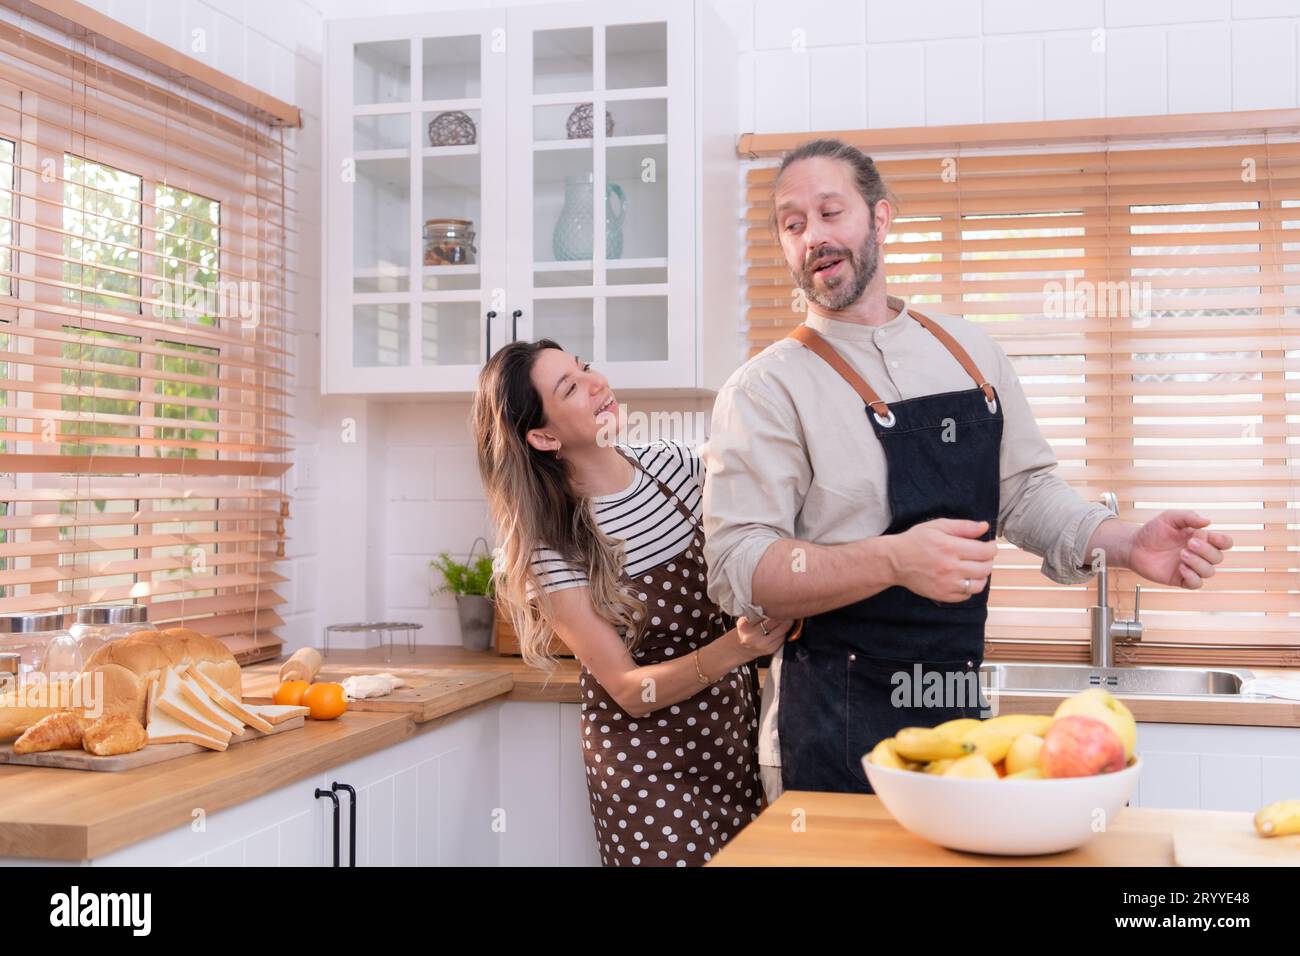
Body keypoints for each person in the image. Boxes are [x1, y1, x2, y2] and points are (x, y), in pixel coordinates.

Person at [701, 138, 1234, 800]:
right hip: (829, 724)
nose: (813, 236)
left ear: (881, 218)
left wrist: (1123, 542)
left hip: (955, 712)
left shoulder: (969, 352)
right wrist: (893, 561)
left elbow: (1025, 494)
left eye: (831, 212)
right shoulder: (765, 390)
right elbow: (735, 569)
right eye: (792, 223)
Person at [473, 338, 793, 865]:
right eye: (570, 387)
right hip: (646, 770)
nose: (597, 383)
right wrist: (738, 647)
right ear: (543, 435)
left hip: (733, 737)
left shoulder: (681, 471)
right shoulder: (552, 544)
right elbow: (628, 689)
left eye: (585, 369)